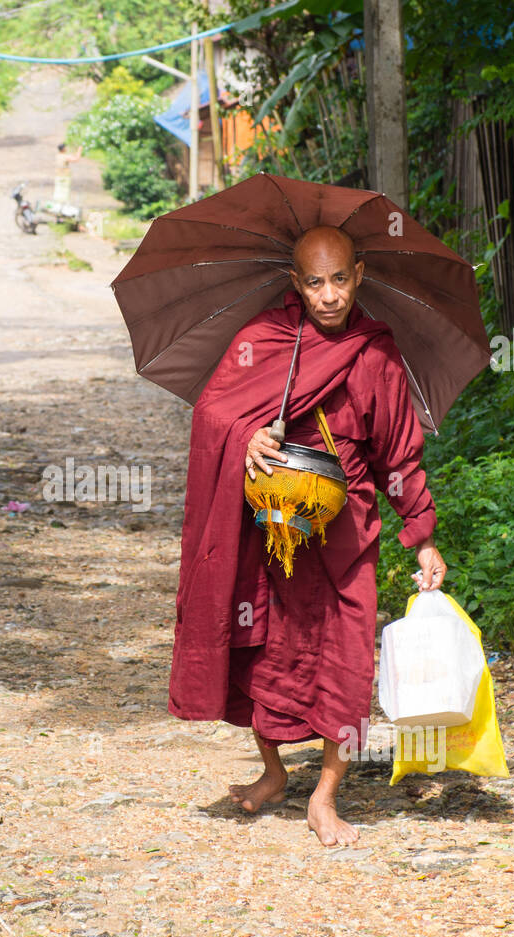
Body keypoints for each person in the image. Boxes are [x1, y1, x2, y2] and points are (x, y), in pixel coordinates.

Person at [167, 226, 447, 846]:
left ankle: (324, 796)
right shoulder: (262, 341)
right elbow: (214, 412)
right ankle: (272, 773)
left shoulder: (374, 352)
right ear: (296, 283)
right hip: (272, 525)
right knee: (265, 646)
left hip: (347, 530)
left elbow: (398, 453)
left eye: (340, 279)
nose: (328, 296)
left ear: (360, 274)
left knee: (346, 656)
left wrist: (423, 535)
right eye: (315, 282)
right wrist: (247, 437)